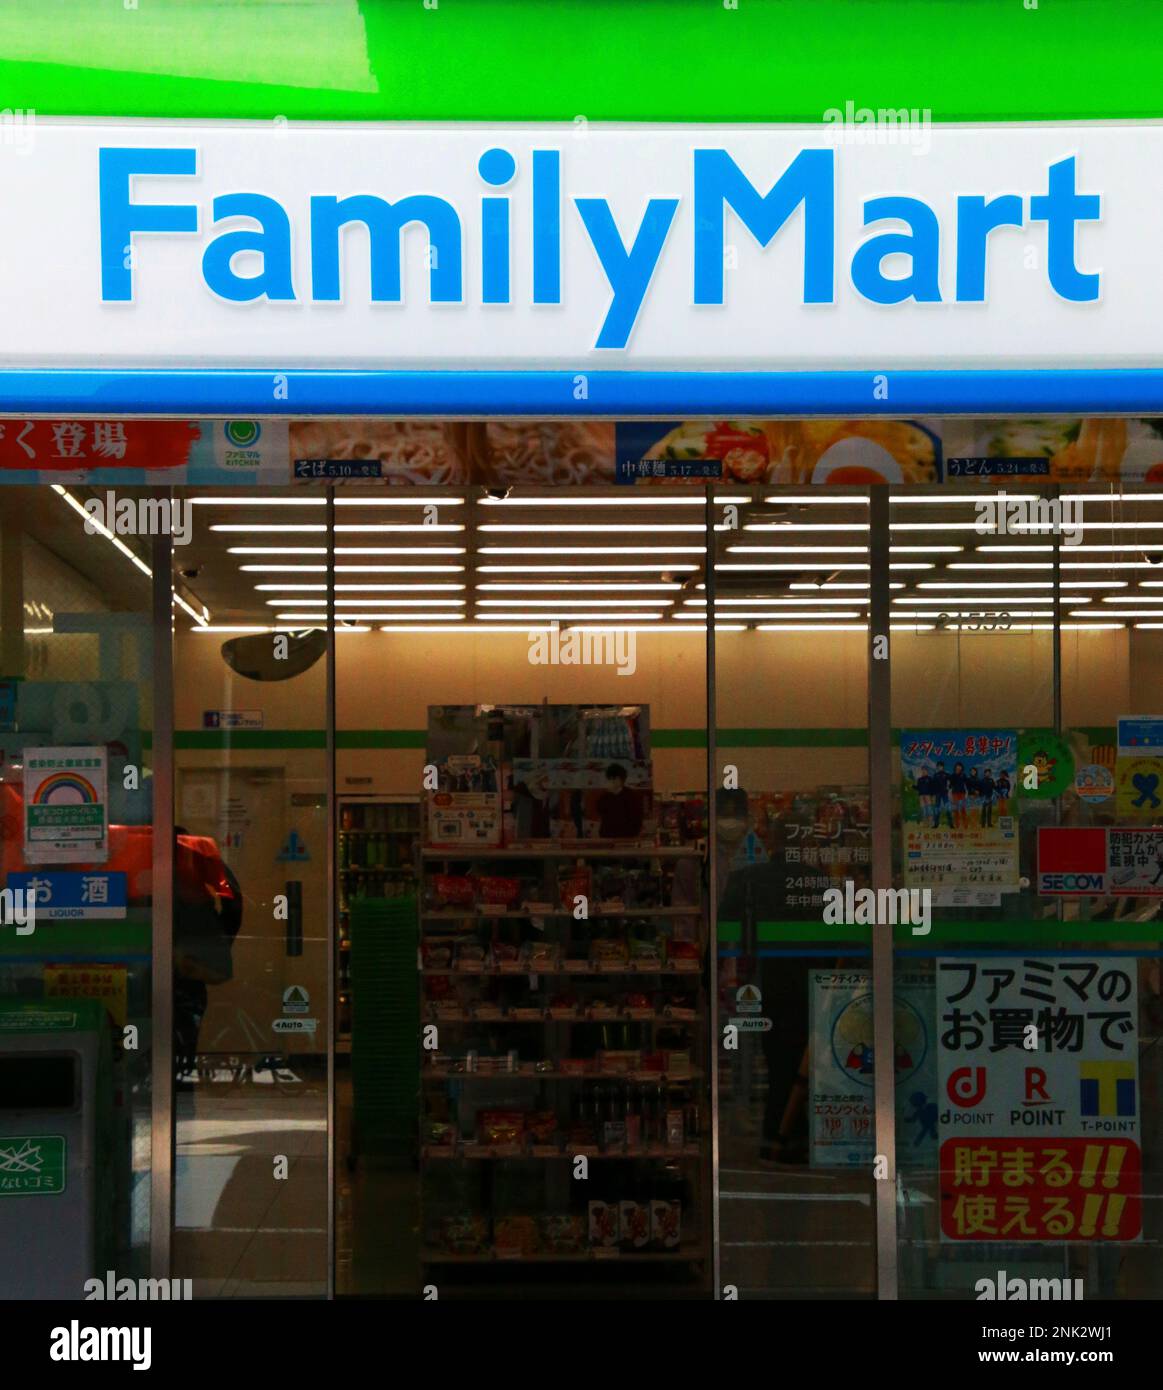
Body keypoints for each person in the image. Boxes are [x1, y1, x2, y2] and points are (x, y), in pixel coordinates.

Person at [173, 827, 243, 1088]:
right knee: (188, 1015)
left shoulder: (143, 856)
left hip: (150, 955)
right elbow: (232, 898)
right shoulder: (202, 858)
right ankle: (182, 1076)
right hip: (195, 953)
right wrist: (220, 938)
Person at [595, 763, 643, 839]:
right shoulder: (604, 797)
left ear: (622, 780)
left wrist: (633, 834)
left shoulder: (631, 796)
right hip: (607, 836)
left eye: (615, 778)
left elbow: (637, 818)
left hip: (627, 837)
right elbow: (600, 813)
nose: (613, 781)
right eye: (610, 779)